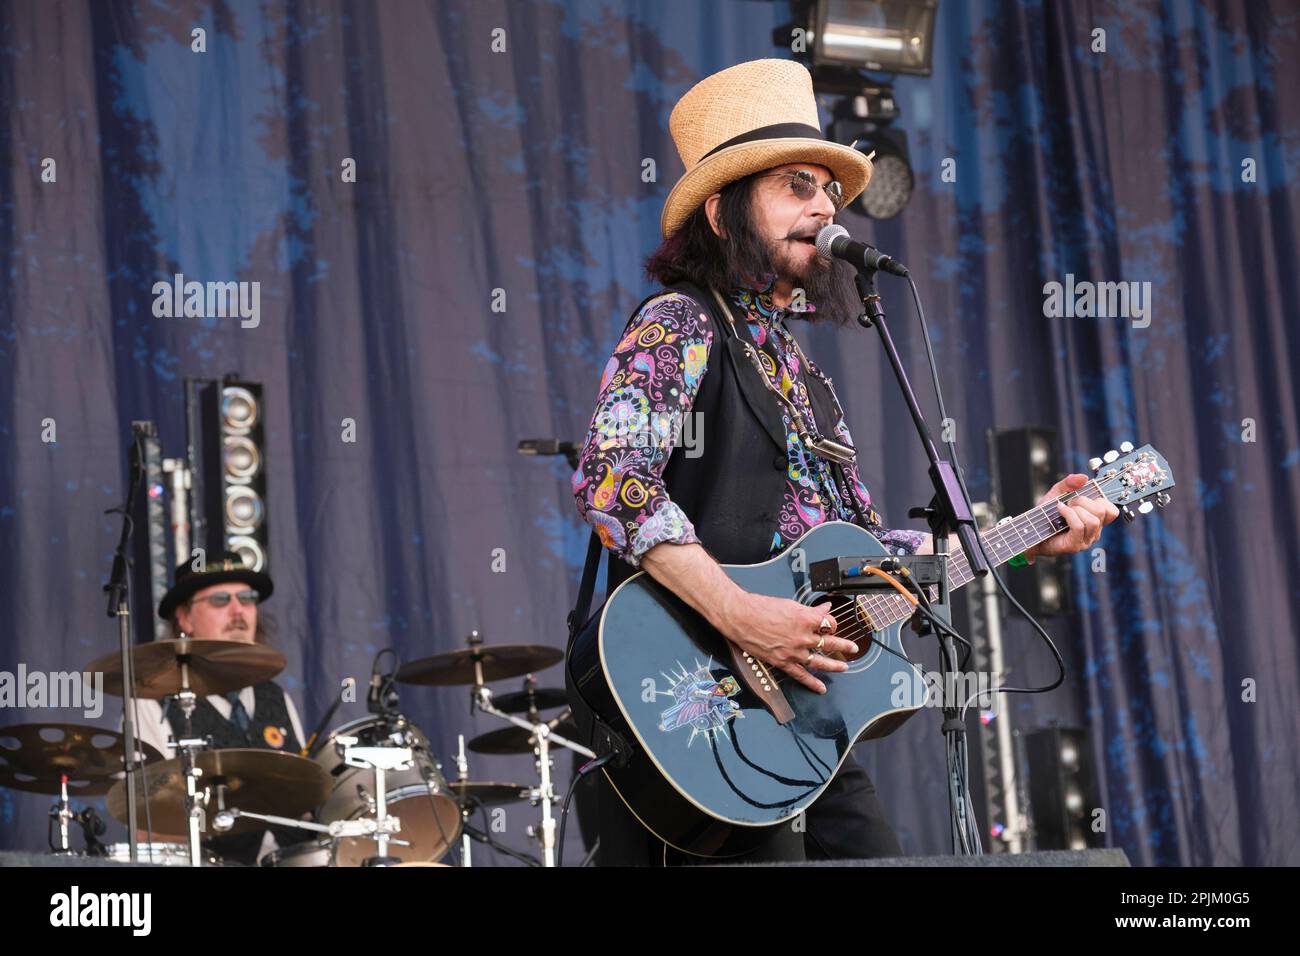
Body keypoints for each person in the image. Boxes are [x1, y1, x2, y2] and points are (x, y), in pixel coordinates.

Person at [569, 59, 1118, 865]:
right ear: (723, 214)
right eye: (797, 184)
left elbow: (862, 562)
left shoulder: (805, 377)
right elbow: (614, 482)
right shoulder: (681, 324)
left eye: (829, 189)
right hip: (707, 708)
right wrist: (742, 613)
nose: (827, 206)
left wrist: (1027, 533)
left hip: (806, 724)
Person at [127, 552, 310, 865]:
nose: (238, 611)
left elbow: (307, 799)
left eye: (248, 598)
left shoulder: (276, 697)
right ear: (184, 618)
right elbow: (147, 826)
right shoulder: (151, 701)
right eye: (220, 600)